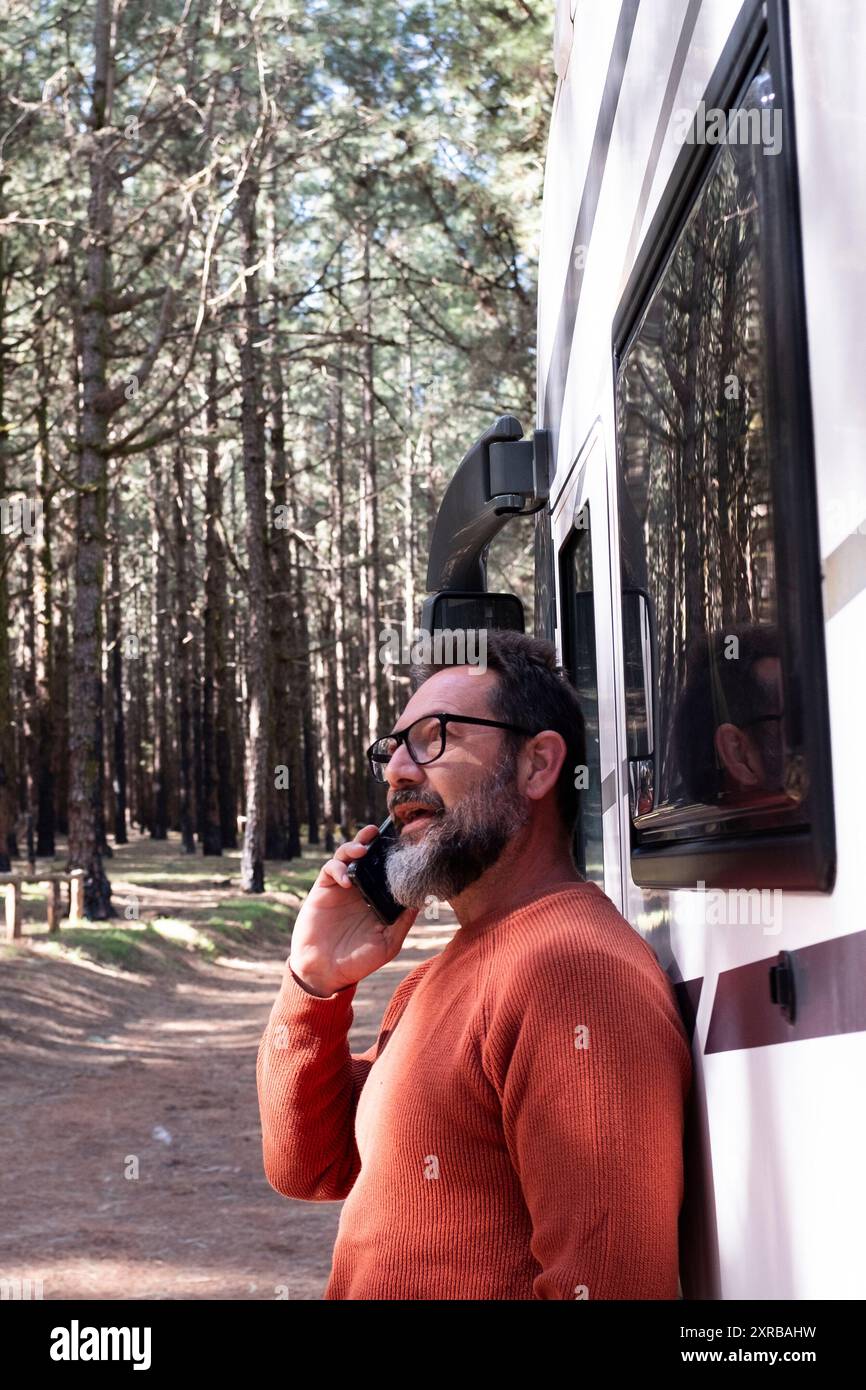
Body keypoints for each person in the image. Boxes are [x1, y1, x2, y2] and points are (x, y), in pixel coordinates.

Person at [256, 629, 692, 1299]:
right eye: (393, 748)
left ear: (538, 765)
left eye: (435, 737)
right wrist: (314, 981)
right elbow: (311, 1165)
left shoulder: (574, 976)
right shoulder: (441, 972)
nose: (399, 770)